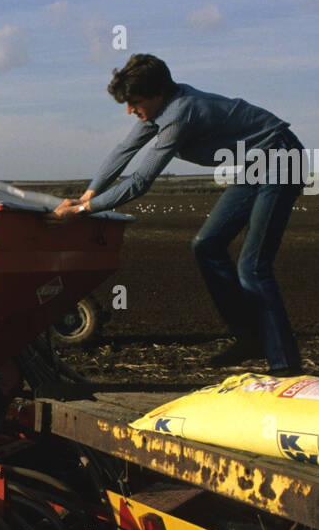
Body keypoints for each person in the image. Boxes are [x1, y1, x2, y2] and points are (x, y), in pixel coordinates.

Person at [53, 54, 305, 375]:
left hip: (283, 159)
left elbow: (142, 180)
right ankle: (249, 338)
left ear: (158, 94)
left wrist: (83, 211)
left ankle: (285, 364)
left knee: (253, 265)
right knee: (207, 244)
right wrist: (88, 194)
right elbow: (124, 151)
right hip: (257, 165)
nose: (130, 110)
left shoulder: (180, 114)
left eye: (135, 102)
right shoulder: (159, 110)